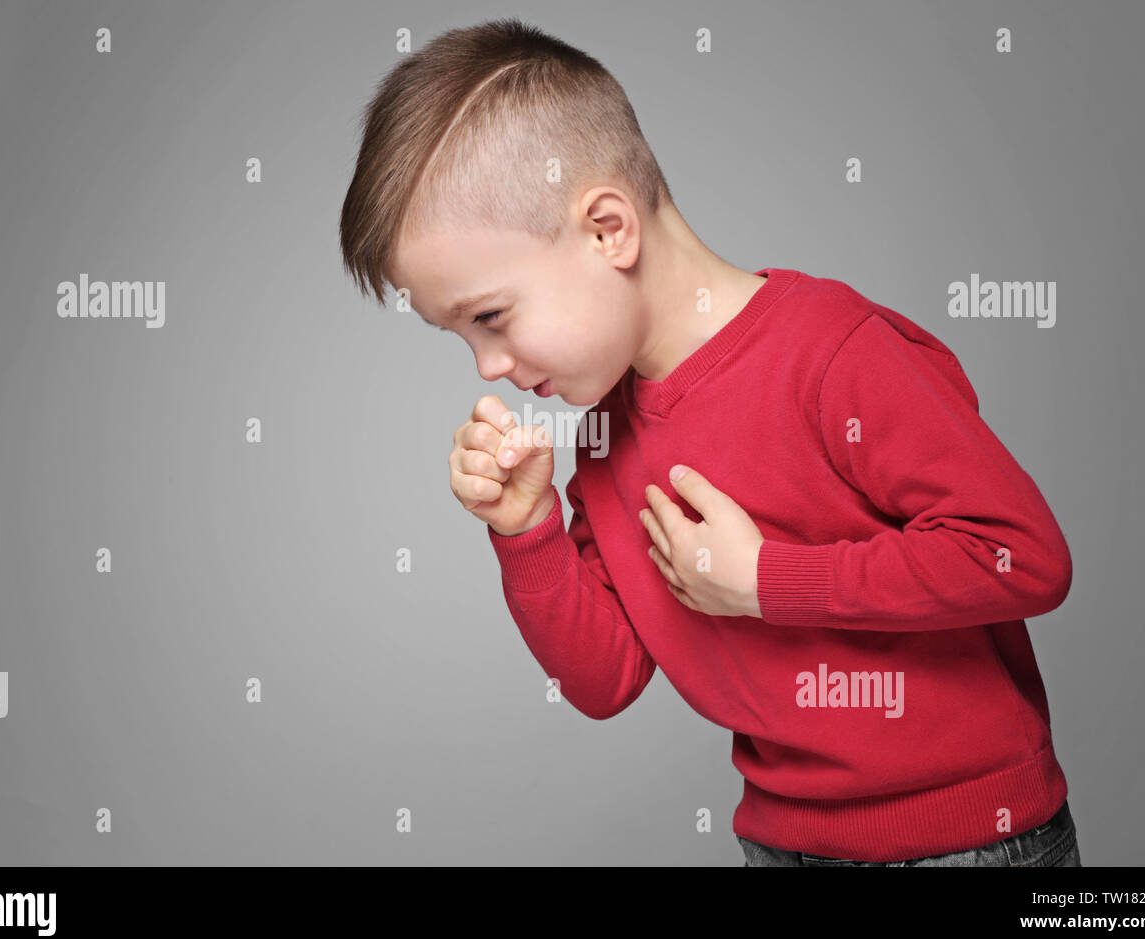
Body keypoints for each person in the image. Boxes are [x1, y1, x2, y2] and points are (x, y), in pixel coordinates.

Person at [339, 18, 1080, 866]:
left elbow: (1021, 556)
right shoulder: (606, 439)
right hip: (779, 841)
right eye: (461, 336)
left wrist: (769, 580)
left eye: (491, 318)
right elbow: (605, 679)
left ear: (608, 229)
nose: (489, 366)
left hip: (967, 842)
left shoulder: (833, 356)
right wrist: (527, 530)